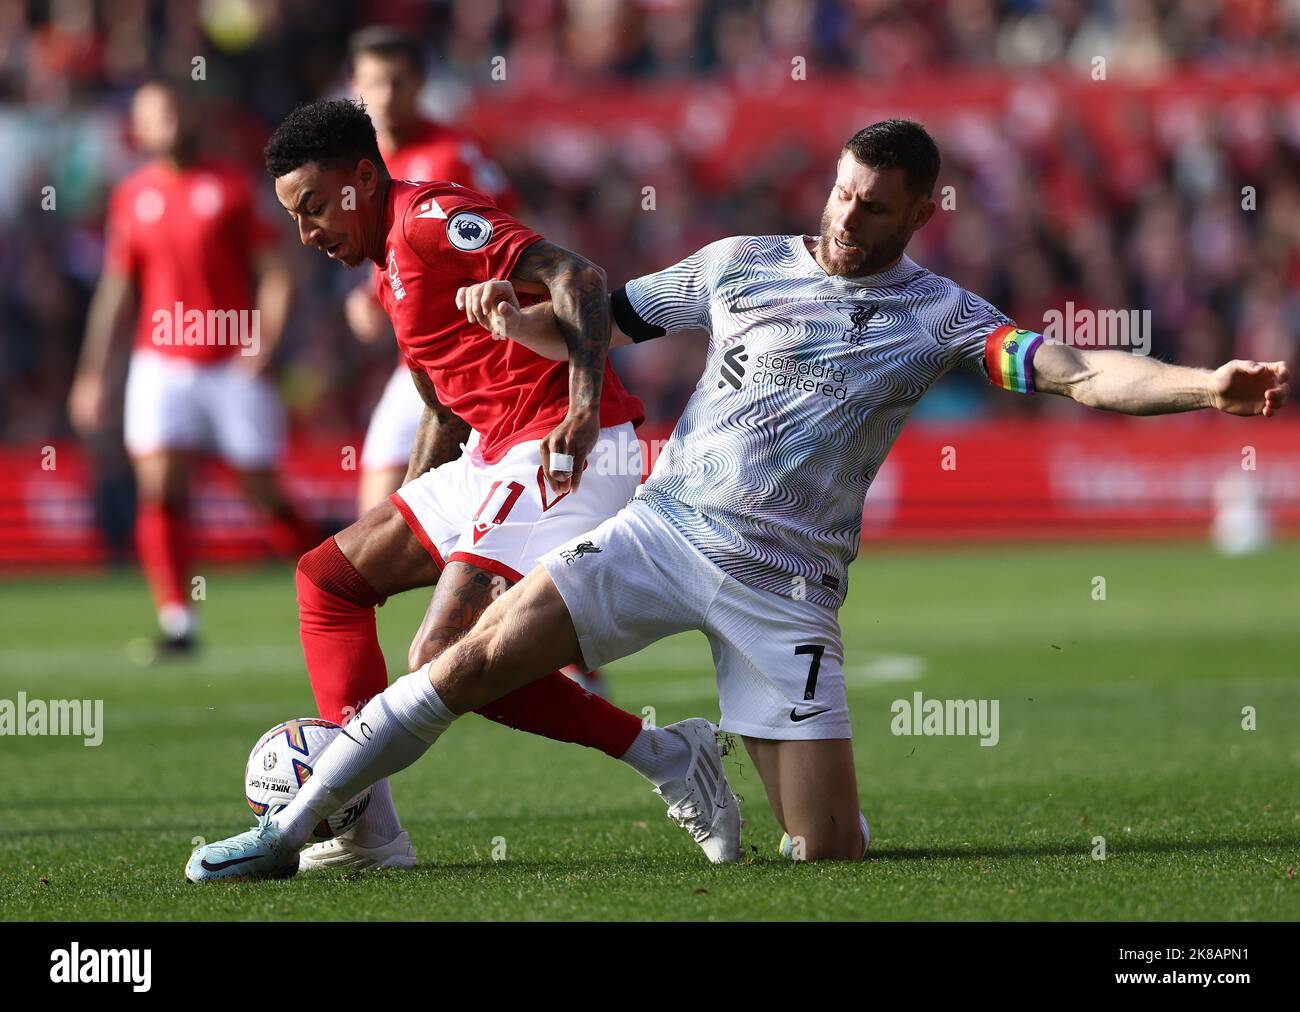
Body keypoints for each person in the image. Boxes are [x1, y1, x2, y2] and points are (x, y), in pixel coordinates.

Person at [187, 118, 1288, 879]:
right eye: (845, 194)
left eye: (877, 209)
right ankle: (291, 828)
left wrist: (1203, 385)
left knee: (826, 857)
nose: (850, 220)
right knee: (462, 659)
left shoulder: (940, 312)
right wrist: (510, 320)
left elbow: (1078, 371)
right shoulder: (739, 264)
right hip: (661, 531)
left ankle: (730, 761)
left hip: (787, 591)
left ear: (919, 217)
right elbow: (598, 318)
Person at [196, 98, 740, 878]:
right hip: (491, 453)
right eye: (294, 218)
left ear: (360, 176)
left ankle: (666, 756)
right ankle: (368, 834)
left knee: (443, 653)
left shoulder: (429, 217)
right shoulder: (385, 264)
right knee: (331, 580)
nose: (308, 233)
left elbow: (579, 279)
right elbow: (443, 403)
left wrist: (584, 411)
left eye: (315, 208)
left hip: (565, 450)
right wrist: (412, 505)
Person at [68, 81, 314, 656]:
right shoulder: (131, 196)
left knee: (263, 492)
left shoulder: (229, 186)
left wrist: (265, 341)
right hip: (160, 362)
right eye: (156, 115)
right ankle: (179, 621)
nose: (169, 123)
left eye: (175, 111)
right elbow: (116, 290)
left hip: (231, 363)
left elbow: (277, 270)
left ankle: (333, 587)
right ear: (140, 128)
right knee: (160, 487)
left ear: (192, 117)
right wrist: (93, 374)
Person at [343, 26, 517, 517]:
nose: (386, 95)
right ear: (355, 86)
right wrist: (367, 295)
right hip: (416, 366)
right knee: (373, 514)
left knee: (477, 512)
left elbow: (515, 240)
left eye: (398, 82)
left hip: (479, 356)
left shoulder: (455, 154)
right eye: (374, 82)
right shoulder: (360, 165)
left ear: (420, 85)